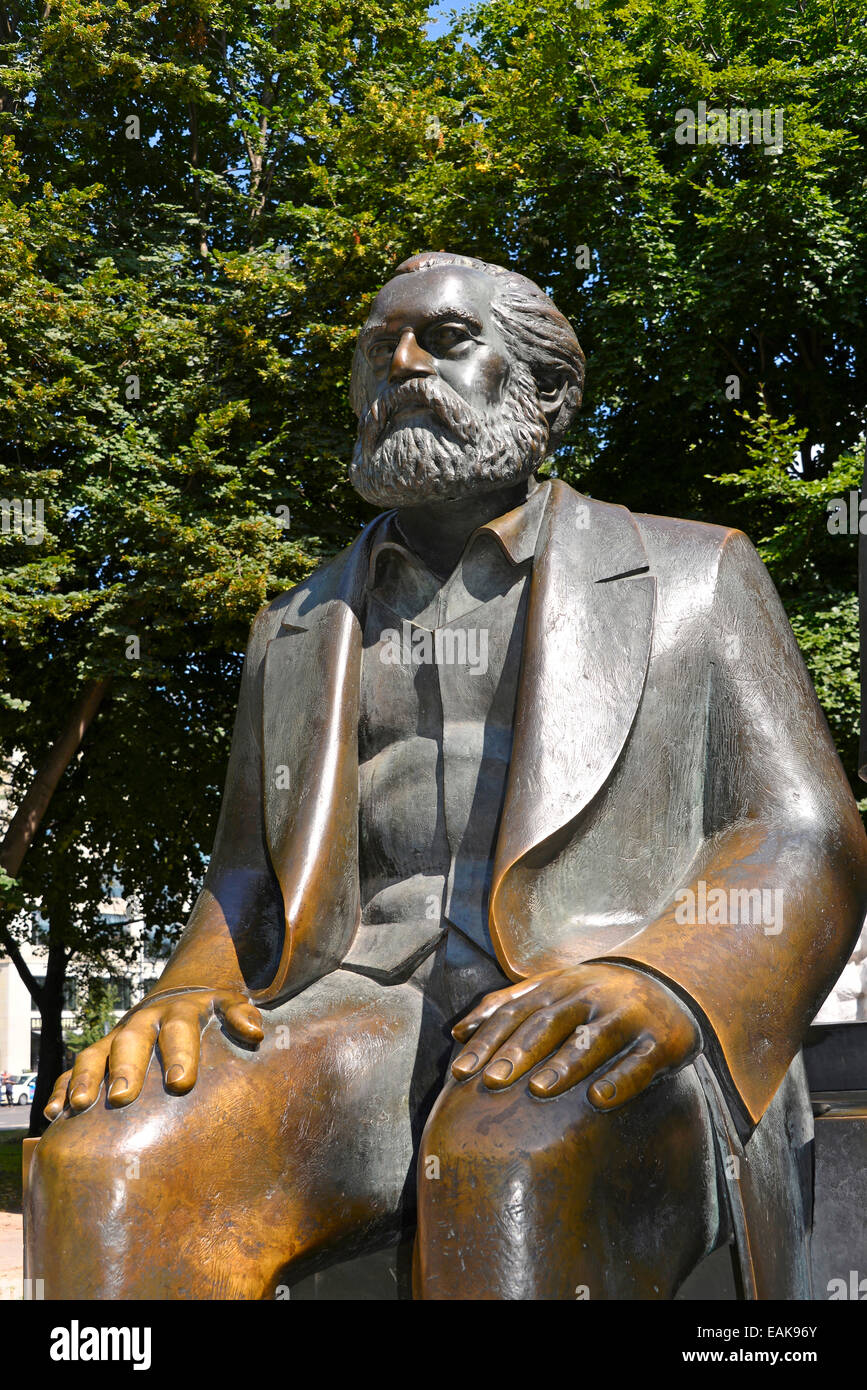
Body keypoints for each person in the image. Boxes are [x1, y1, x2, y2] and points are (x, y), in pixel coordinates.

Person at [27, 252, 867, 1300]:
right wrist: (189, 988)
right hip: (349, 1011)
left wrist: (666, 976)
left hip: (597, 1003)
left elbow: (801, 828)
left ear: (547, 391)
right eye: (380, 350)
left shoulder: (694, 574)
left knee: (503, 1148)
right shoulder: (291, 628)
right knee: (104, 1159)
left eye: (443, 338)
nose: (404, 363)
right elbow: (244, 875)